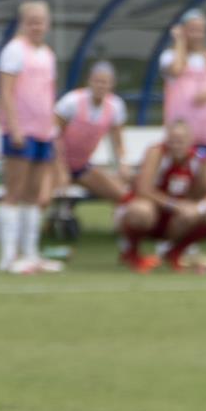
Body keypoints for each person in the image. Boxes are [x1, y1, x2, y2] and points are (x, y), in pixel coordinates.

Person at [0, 0, 61, 275]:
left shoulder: (47, 54)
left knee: (33, 195)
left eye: (41, 22)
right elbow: (6, 92)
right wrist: (15, 127)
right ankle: (8, 256)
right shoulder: (13, 51)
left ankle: (30, 253)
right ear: (23, 23)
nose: (37, 27)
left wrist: (53, 128)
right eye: (31, 21)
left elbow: (49, 93)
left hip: (44, 131)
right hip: (20, 131)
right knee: (15, 191)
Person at [119, 119, 206, 272]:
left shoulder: (199, 158)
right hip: (153, 212)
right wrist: (174, 205)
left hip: (177, 220)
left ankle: (175, 252)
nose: (176, 145)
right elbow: (143, 189)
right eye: (173, 140)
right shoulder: (156, 153)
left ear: (190, 141)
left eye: (181, 141)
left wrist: (199, 208)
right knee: (141, 211)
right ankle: (131, 253)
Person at [53, 62, 132, 264]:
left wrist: (122, 164)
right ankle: (31, 245)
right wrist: (60, 168)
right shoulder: (71, 101)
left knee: (122, 195)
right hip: (55, 164)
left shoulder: (115, 106)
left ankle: (127, 243)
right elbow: (54, 136)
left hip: (81, 167)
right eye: (97, 81)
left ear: (112, 84)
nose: (101, 86)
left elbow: (118, 142)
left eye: (105, 82)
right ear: (90, 81)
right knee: (41, 196)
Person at [161, 10, 206, 162]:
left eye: (200, 30)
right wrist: (179, 41)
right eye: (192, 30)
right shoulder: (169, 56)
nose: (197, 35)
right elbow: (176, 70)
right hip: (178, 136)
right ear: (183, 30)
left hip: (204, 132)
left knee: (201, 175)